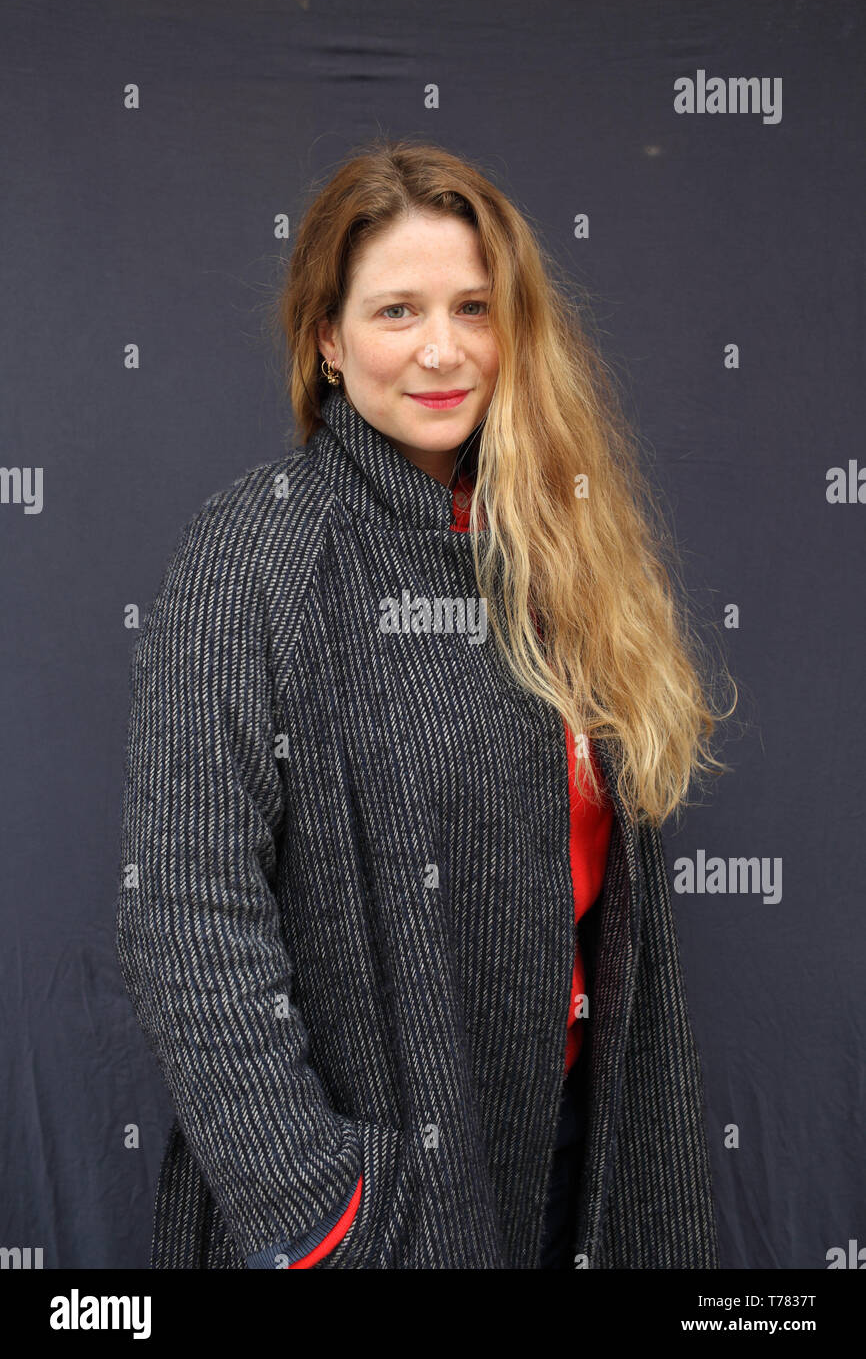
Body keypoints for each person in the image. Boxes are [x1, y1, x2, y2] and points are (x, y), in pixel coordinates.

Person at [116, 138, 736, 1269]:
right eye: (396, 311)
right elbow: (184, 914)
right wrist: (323, 1217)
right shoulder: (259, 551)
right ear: (328, 342)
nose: (442, 349)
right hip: (376, 1213)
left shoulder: (552, 545)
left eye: (472, 307)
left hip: (562, 1163)